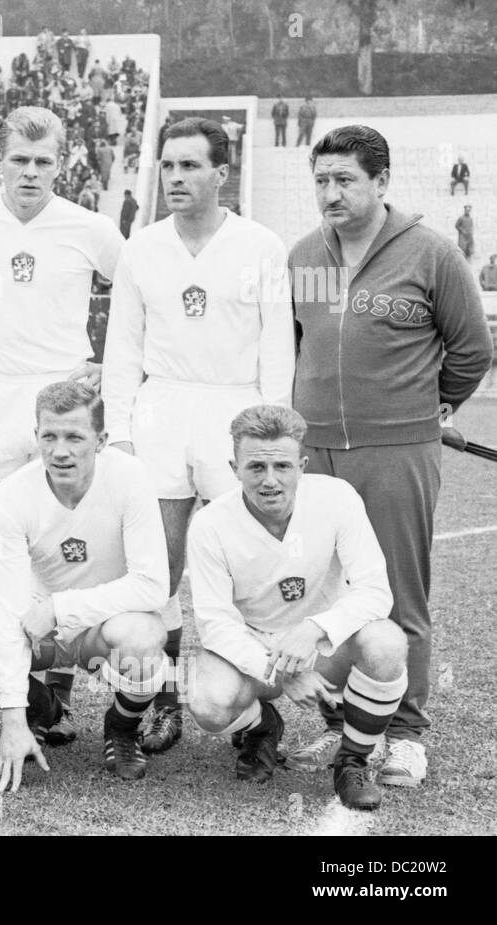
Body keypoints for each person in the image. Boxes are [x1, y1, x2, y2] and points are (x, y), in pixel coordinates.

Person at [288, 125, 492, 786]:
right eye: (322, 180)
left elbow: (471, 349)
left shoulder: (430, 254)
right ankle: (345, 726)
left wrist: (435, 408)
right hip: (317, 448)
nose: (331, 192)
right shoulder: (302, 256)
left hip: (399, 449)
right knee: (331, 592)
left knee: (399, 593)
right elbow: (289, 345)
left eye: (345, 179)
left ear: (381, 181)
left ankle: (403, 731)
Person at [0, 106, 125, 731]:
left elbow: (139, 290)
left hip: (63, 403)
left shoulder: (88, 226)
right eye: (19, 160)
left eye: (43, 162)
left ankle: (54, 695)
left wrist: (107, 366)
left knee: (61, 552)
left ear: (60, 165)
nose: (30, 172)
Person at [102, 117, 294, 756]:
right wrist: (123, 434)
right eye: (168, 166)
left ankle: (254, 709)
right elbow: (122, 349)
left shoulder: (261, 245)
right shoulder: (142, 247)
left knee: (242, 567)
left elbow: (276, 348)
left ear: (222, 172)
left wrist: (267, 435)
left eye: (190, 166)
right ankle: (160, 699)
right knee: (157, 569)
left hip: (233, 409)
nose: (177, 178)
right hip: (161, 409)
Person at [0, 381, 170, 789]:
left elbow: (152, 585)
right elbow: (11, 606)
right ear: (36, 437)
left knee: (143, 636)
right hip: (36, 620)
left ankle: (121, 726)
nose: (60, 451)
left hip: (103, 623)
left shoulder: (131, 477)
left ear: (101, 441)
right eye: (49, 436)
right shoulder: (14, 493)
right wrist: (12, 719)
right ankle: (43, 709)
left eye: (74, 437)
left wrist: (61, 608)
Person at [187, 405, 406, 811]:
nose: (270, 480)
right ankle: (262, 727)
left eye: (282, 466)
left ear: (302, 465)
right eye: (256, 467)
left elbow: (375, 591)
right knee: (206, 702)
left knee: (386, 642)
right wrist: (280, 673)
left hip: (323, 647)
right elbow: (215, 623)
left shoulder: (337, 498)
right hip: (257, 646)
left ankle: (352, 760)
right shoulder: (210, 524)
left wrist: (314, 629)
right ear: (234, 467)